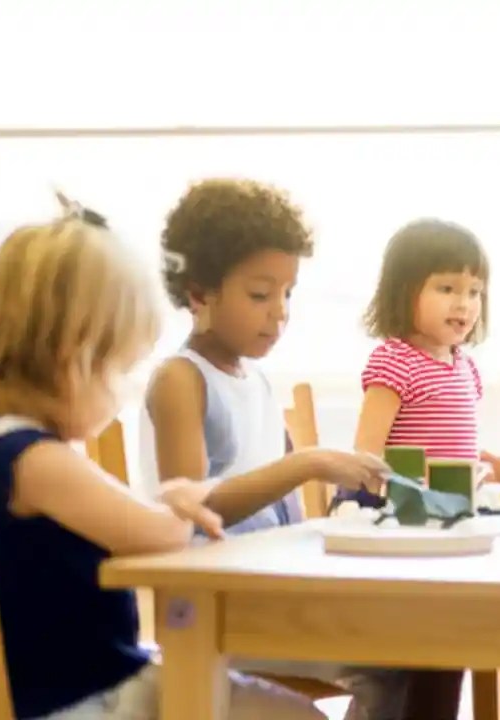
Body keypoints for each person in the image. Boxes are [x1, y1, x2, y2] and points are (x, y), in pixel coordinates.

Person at [0, 194, 329, 719]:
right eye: (119, 371)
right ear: (76, 357)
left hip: (53, 693)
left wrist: (166, 503)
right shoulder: (38, 460)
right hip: (85, 699)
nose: (120, 394)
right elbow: (158, 536)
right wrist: (179, 501)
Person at [141, 178, 406, 720]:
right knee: (398, 660)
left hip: (266, 593)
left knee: (419, 646)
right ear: (199, 293)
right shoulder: (180, 379)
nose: (279, 312)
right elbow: (195, 511)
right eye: (260, 295)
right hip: (214, 609)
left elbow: (277, 508)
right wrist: (307, 461)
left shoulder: (255, 380)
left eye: (287, 294)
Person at [353, 218, 500, 488]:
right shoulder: (395, 362)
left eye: (475, 292)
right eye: (447, 289)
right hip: (407, 518)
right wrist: (441, 479)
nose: (464, 304)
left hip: (454, 514)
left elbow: (466, 460)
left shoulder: (465, 368)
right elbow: (366, 459)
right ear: (403, 292)